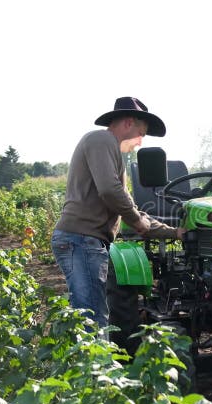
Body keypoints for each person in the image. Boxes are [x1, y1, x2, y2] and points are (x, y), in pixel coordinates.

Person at [51, 96, 184, 330]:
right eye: (142, 133)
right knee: (91, 315)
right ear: (128, 123)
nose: (140, 143)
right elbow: (110, 192)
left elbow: (129, 207)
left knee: (92, 311)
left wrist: (175, 232)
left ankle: (92, 363)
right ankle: (96, 366)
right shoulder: (101, 140)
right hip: (81, 239)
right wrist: (136, 220)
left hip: (87, 241)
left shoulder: (109, 153)